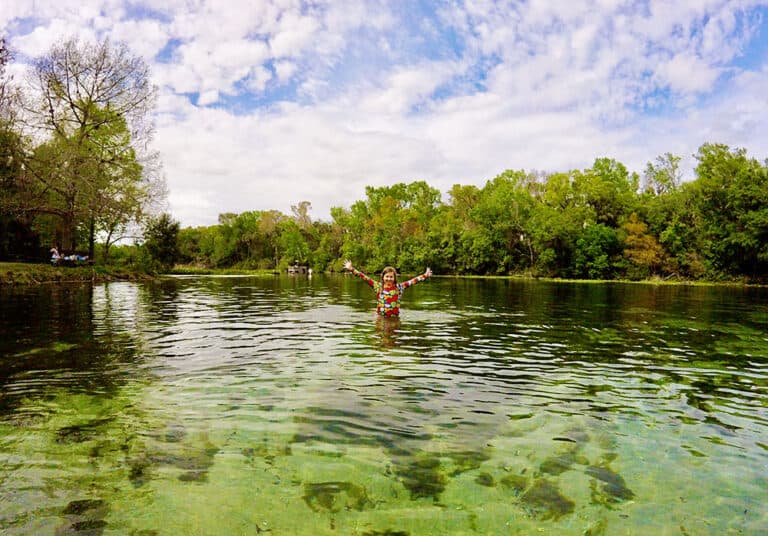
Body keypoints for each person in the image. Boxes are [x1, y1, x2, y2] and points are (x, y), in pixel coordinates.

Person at [344, 260, 432, 317]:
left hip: (394, 318)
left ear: (394, 278)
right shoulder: (378, 286)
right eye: (387, 276)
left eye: (391, 277)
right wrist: (352, 269)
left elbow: (413, 281)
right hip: (380, 317)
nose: (389, 279)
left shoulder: (399, 287)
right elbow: (364, 277)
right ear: (383, 277)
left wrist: (425, 275)